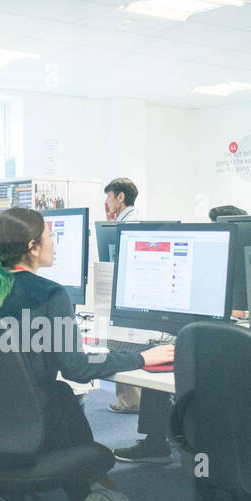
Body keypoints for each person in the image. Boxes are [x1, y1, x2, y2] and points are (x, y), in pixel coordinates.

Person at [0, 207, 174, 501]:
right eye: (50, 236)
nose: (54, 243)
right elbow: (76, 366)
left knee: (60, 397)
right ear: (33, 247)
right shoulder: (49, 293)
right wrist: (142, 357)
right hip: (27, 427)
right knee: (63, 399)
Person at [113, 204, 247, 465]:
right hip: (201, 326)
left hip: (227, 331)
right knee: (159, 356)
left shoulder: (229, 257)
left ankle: (183, 445)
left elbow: (244, 310)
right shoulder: (207, 258)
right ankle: (156, 442)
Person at [104, 177, 142, 413]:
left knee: (121, 340)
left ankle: (131, 399)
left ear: (121, 196)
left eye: (109, 196)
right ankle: (130, 398)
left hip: (130, 290)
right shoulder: (122, 221)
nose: (107, 202)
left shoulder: (132, 222)